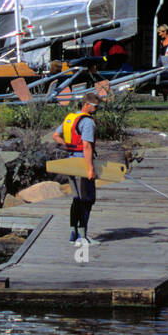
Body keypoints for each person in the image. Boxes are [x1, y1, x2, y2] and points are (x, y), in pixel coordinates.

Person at [52, 91, 100, 244]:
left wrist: (67, 146)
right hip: (81, 163)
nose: (97, 110)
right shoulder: (87, 122)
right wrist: (90, 169)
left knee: (76, 198)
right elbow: (86, 146)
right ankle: (82, 235)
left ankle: (73, 234)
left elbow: (55, 135)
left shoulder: (70, 118)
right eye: (95, 107)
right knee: (87, 199)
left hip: (70, 161)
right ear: (87, 105)